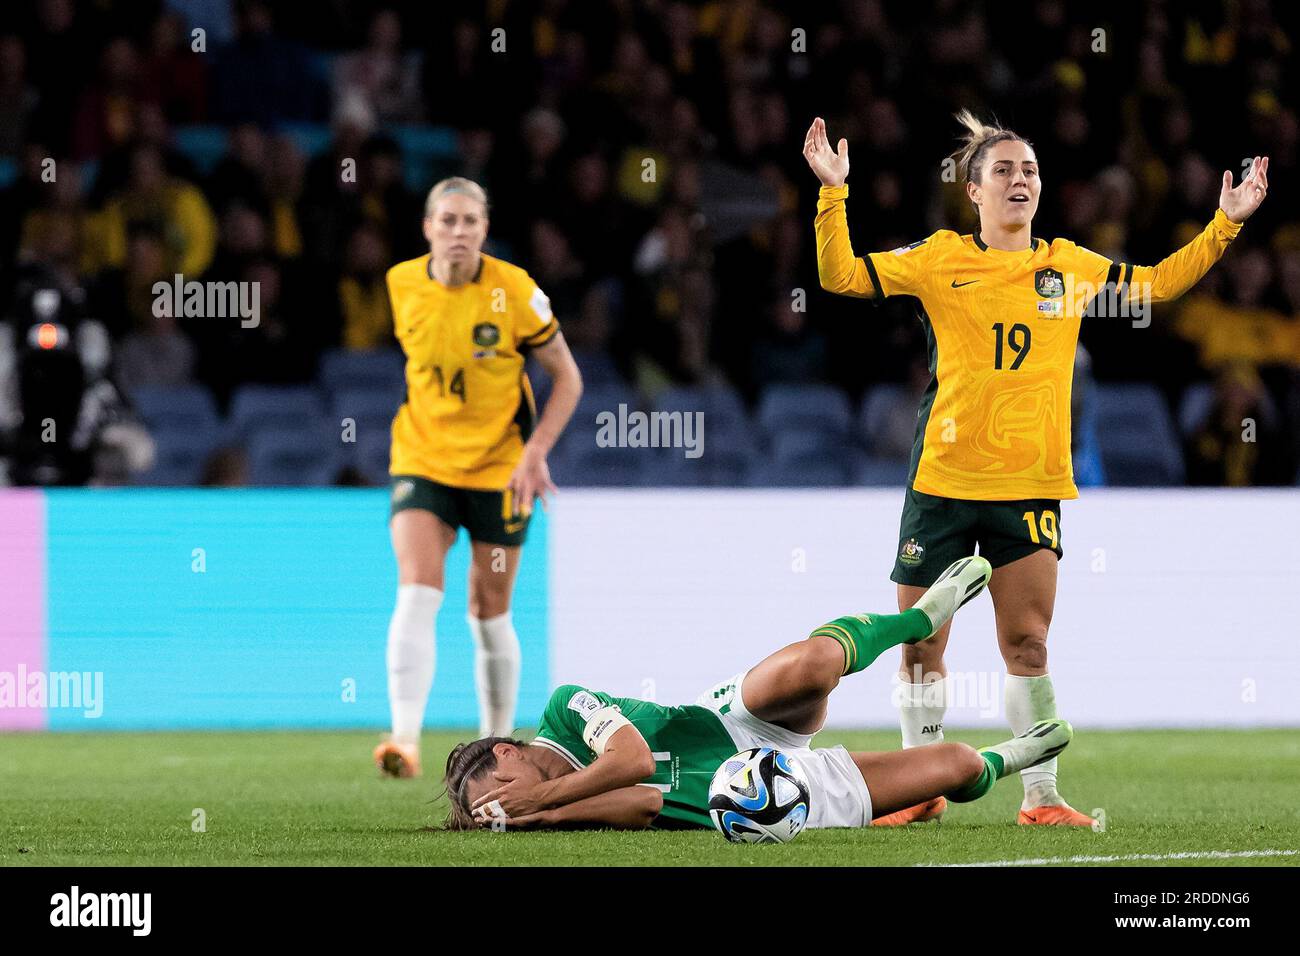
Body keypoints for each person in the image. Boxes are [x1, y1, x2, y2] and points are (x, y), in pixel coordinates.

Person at [805, 112, 1269, 826]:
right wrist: (832, 194)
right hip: (942, 485)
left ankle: (1042, 799)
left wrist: (1225, 225)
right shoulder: (937, 259)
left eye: (1030, 171)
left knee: (1026, 644)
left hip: (1030, 488)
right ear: (974, 191)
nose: (1020, 179)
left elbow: (1154, 286)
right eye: (1004, 171)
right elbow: (838, 276)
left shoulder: (1070, 266)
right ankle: (919, 789)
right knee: (923, 645)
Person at [444, 555, 1072, 831]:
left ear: (506, 753)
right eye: (499, 808)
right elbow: (639, 801)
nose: (512, 803)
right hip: (767, 793)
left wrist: (544, 802)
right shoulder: (558, 818)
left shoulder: (563, 707)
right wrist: (548, 814)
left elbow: (632, 762)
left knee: (817, 664)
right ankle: (1016, 754)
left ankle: (918, 620)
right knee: (957, 766)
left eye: (501, 792)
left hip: (729, 724)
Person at [374, 176, 583, 778]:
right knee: (417, 587)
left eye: (470, 221)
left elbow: (567, 378)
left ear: (485, 229)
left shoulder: (515, 291)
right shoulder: (401, 283)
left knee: (488, 610)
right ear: (428, 228)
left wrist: (535, 452)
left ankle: (494, 746)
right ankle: (403, 738)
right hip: (423, 461)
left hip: (500, 471)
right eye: (448, 220)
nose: (459, 231)